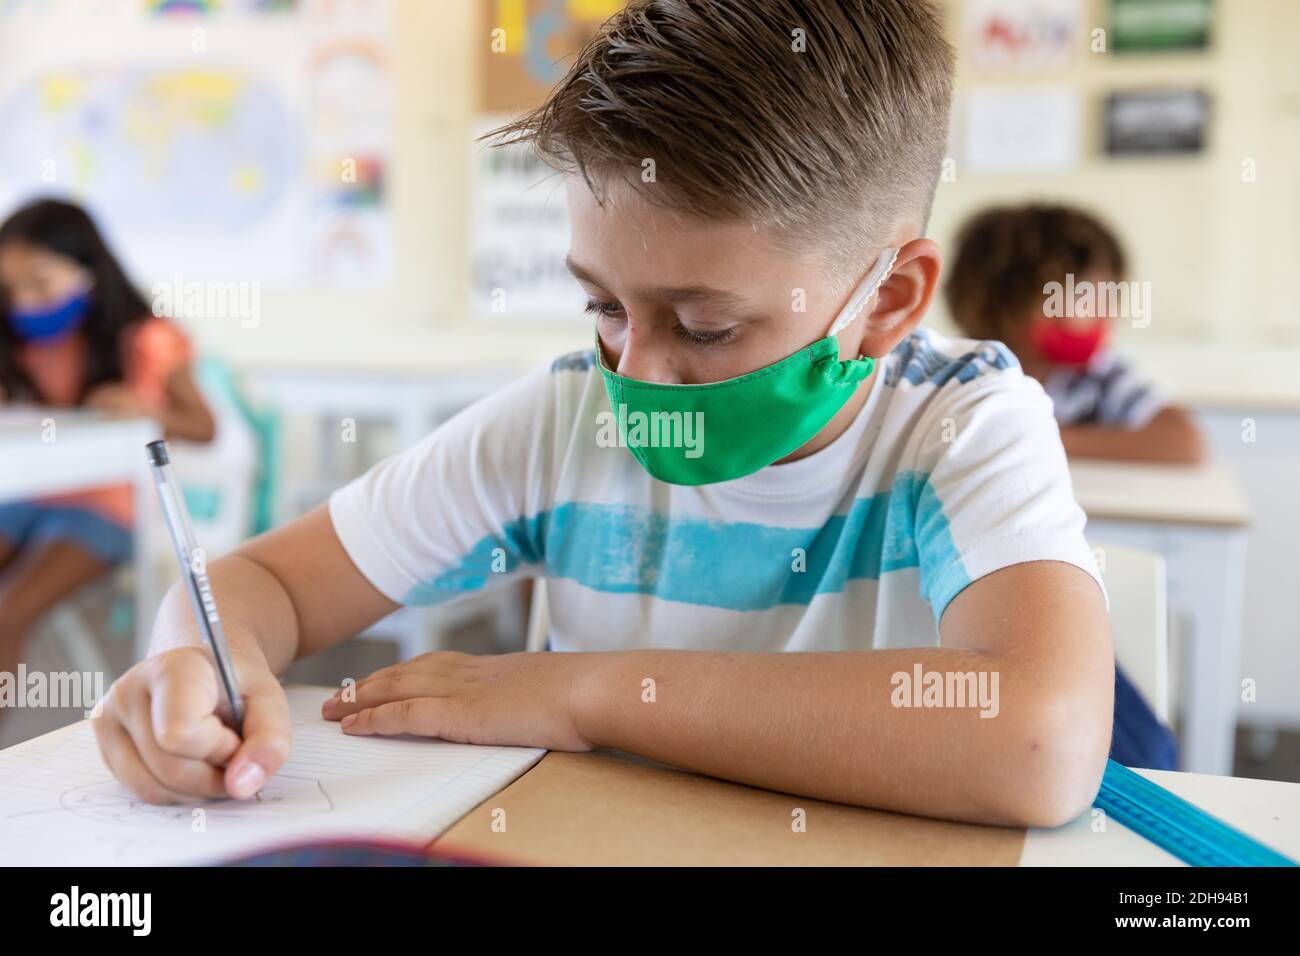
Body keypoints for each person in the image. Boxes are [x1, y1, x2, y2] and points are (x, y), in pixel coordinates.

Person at [94, 1, 1116, 826]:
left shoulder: (959, 427)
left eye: (706, 327)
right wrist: (191, 661)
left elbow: (1040, 736)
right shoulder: (561, 421)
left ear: (885, 300)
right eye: (602, 304)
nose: (637, 372)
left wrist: (584, 689)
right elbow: (263, 580)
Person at [0, 199, 214, 687]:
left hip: (108, 510)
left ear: (89, 272)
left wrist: (150, 411)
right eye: (12, 290)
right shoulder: (18, 343)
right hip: (27, 496)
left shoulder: (147, 340)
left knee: (8, 612)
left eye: (41, 282)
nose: (26, 303)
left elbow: (204, 427)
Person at [945, 203, 1204, 464]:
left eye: (1109, 296)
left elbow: (1185, 441)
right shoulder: (960, 376)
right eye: (1086, 297)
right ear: (1010, 305)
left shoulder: (1099, 376)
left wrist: (1033, 437)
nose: (1107, 314)